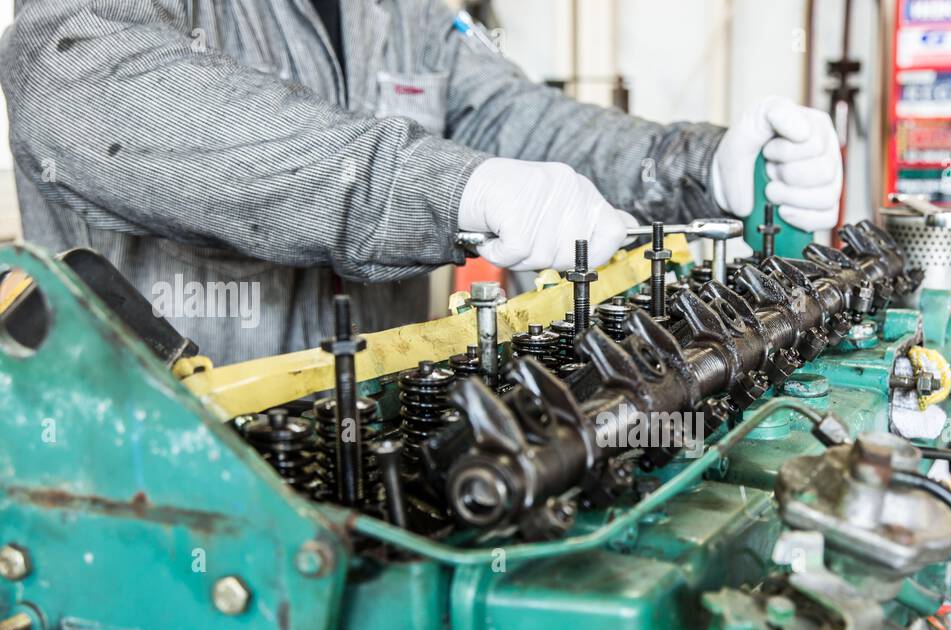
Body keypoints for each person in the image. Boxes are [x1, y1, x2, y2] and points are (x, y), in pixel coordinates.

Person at [0, 1, 843, 365]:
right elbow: (87, 95)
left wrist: (698, 165)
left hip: (378, 460)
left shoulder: (403, 11)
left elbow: (510, 117)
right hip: (159, 485)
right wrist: (449, 188)